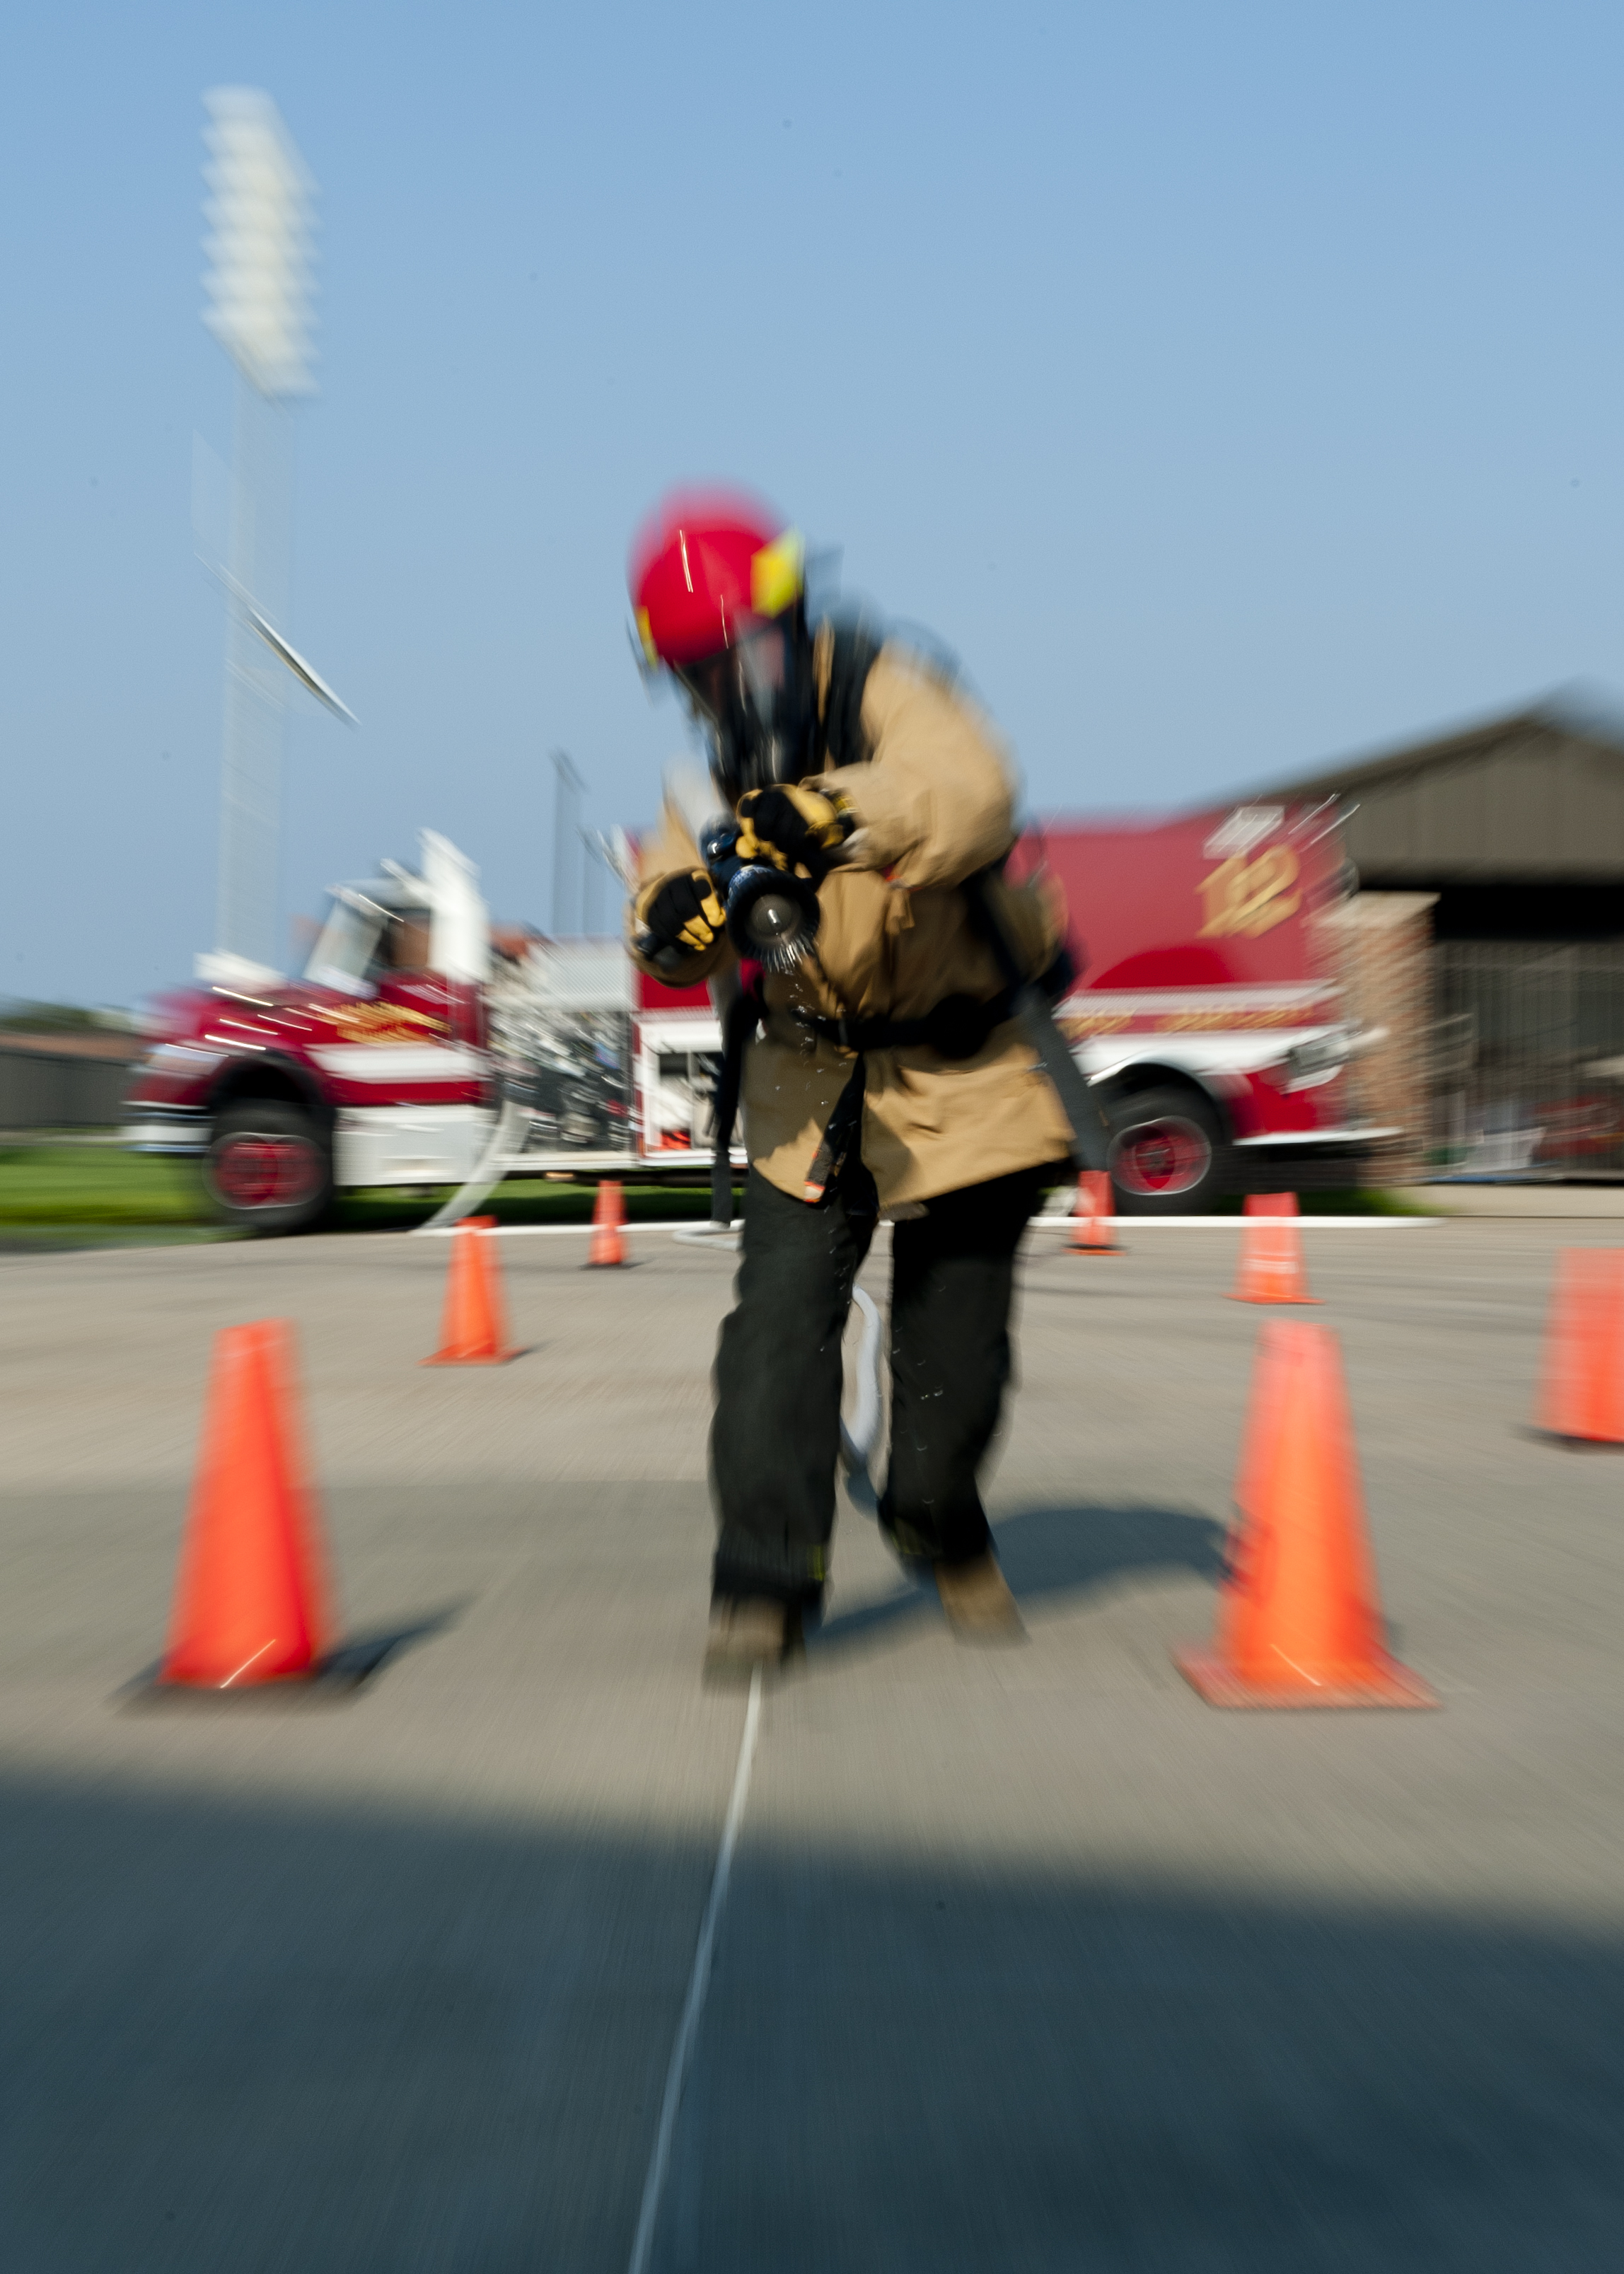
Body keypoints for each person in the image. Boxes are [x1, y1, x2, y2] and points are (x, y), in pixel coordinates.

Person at [627, 491, 1075, 1681]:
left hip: (966, 1066)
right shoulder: (709, 769)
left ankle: (936, 1517)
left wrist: (832, 811)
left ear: (792, 618)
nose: (728, 685)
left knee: (955, 1358)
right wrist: (676, 919)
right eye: (700, 672)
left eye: (738, 654)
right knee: (775, 1334)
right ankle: (766, 1582)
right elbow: (671, 910)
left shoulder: (890, 686)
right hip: (812, 1075)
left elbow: (971, 790)